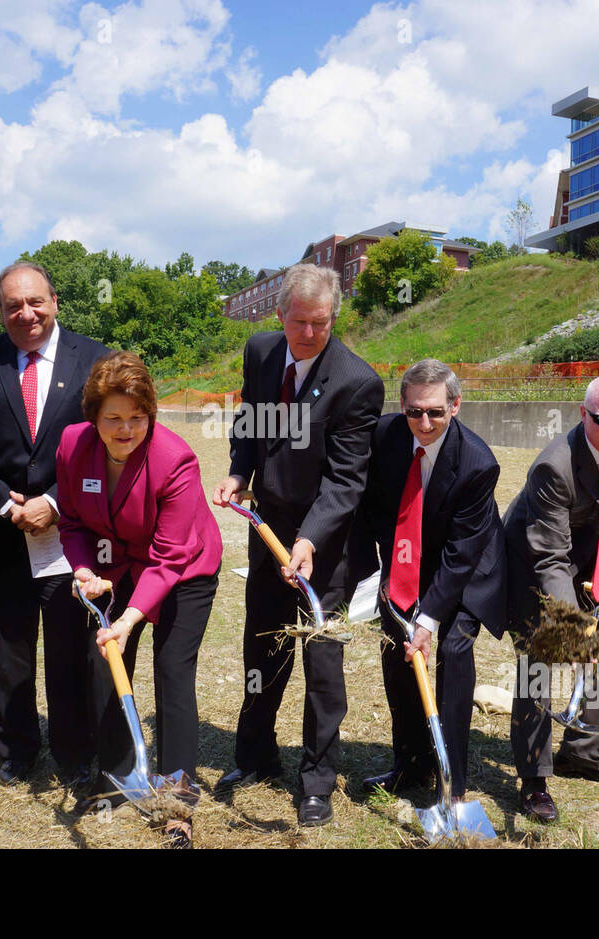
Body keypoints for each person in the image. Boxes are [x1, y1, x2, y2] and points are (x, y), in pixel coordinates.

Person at [212, 263, 384, 826]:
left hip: (327, 543)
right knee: (261, 644)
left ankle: (317, 781)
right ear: (279, 314)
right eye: (300, 321)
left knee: (321, 661)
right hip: (268, 530)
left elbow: (346, 480)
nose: (310, 333)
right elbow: (249, 424)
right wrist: (240, 473)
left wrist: (310, 538)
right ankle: (255, 754)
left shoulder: (356, 382)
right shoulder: (261, 352)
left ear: (334, 317)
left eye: (321, 322)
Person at [55, 351, 222, 847]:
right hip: (120, 563)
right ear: (94, 417)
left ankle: (177, 799)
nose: (125, 429)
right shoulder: (71, 446)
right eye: (113, 418)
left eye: (136, 417)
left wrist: (129, 618)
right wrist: (84, 570)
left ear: (151, 414)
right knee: (105, 657)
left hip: (184, 567)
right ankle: (118, 775)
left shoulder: (175, 460)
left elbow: (169, 557)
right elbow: (72, 522)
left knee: (172, 669)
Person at [0, 261, 108, 791]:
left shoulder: (95, 359)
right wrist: (7, 504)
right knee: (6, 648)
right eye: (12, 306)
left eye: (35, 301)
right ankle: (16, 748)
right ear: (0, 311)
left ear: (55, 300)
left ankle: (75, 751)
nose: (26, 314)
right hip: (2, 532)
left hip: (71, 533)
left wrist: (54, 501)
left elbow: (108, 446)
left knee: (70, 647)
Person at [353, 359, 507, 799]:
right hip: (407, 559)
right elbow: (376, 506)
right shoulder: (385, 436)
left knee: (453, 652)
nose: (424, 422)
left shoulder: (478, 464)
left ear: (455, 406)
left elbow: (462, 554)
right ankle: (410, 765)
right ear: (402, 405)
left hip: (468, 565)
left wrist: (429, 618)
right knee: (398, 651)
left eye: (436, 412)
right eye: (415, 411)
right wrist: (382, 572)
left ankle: (451, 780)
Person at [504, 374, 599, 823]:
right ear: (582, 414)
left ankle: (584, 753)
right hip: (532, 563)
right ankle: (533, 781)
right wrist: (572, 629)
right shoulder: (554, 465)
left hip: (590, 562)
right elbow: (550, 556)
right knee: (540, 662)